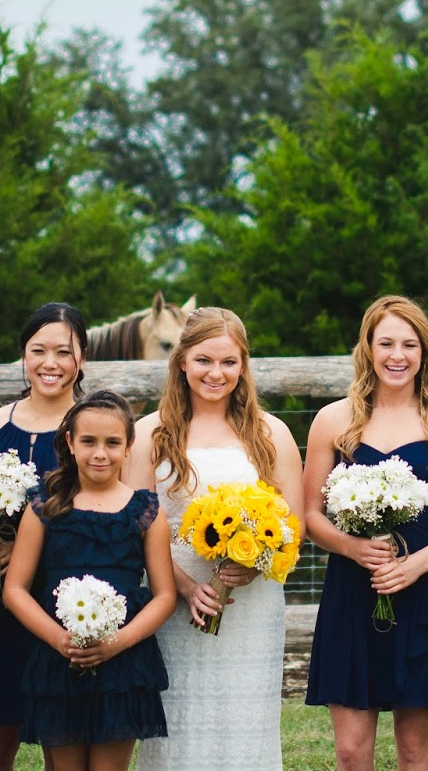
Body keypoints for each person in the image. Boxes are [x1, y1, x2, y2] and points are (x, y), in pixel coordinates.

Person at [303, 295, 428, 771]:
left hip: (424, 591)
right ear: (367, 347)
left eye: (409, 344)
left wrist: (417, 565)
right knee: (350, 752)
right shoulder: (334, 420)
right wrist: (353, 547)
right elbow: (310, 515)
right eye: (385, 343)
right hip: (352, 590)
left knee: (414, 751)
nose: (397, 355)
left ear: (425, 352)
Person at [128, 307, 305, 771]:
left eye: (229, 361)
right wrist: (185, 587)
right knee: (178, 723)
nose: (216, 373)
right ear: (182, 361)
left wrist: (256, 564)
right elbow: (136, 525)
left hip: (252, 606)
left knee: (245, 722)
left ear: (243, 365)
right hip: (171, 600)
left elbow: (294, 523)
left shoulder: (271, 433)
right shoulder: (149, 432)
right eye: (204, 360)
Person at [0, 302, 89, 770]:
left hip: (63, 603)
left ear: (82, 358)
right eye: (38, 350)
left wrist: (23, 550)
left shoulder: (93, 428)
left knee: (62, 747)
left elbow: (105, 512)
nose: (51, 363)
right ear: (23, 355)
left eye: (64, 352)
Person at [3, 390, 177, 771]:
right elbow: (14, 589)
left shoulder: (145, 511)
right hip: (58, 656)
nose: (100, 453)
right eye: (88, 441)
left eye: (112, 443)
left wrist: (119, 641)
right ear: (70, 442)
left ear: (129, 446)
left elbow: (165, 595)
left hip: (123, 661)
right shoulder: (45, 505)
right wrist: (58, 639)